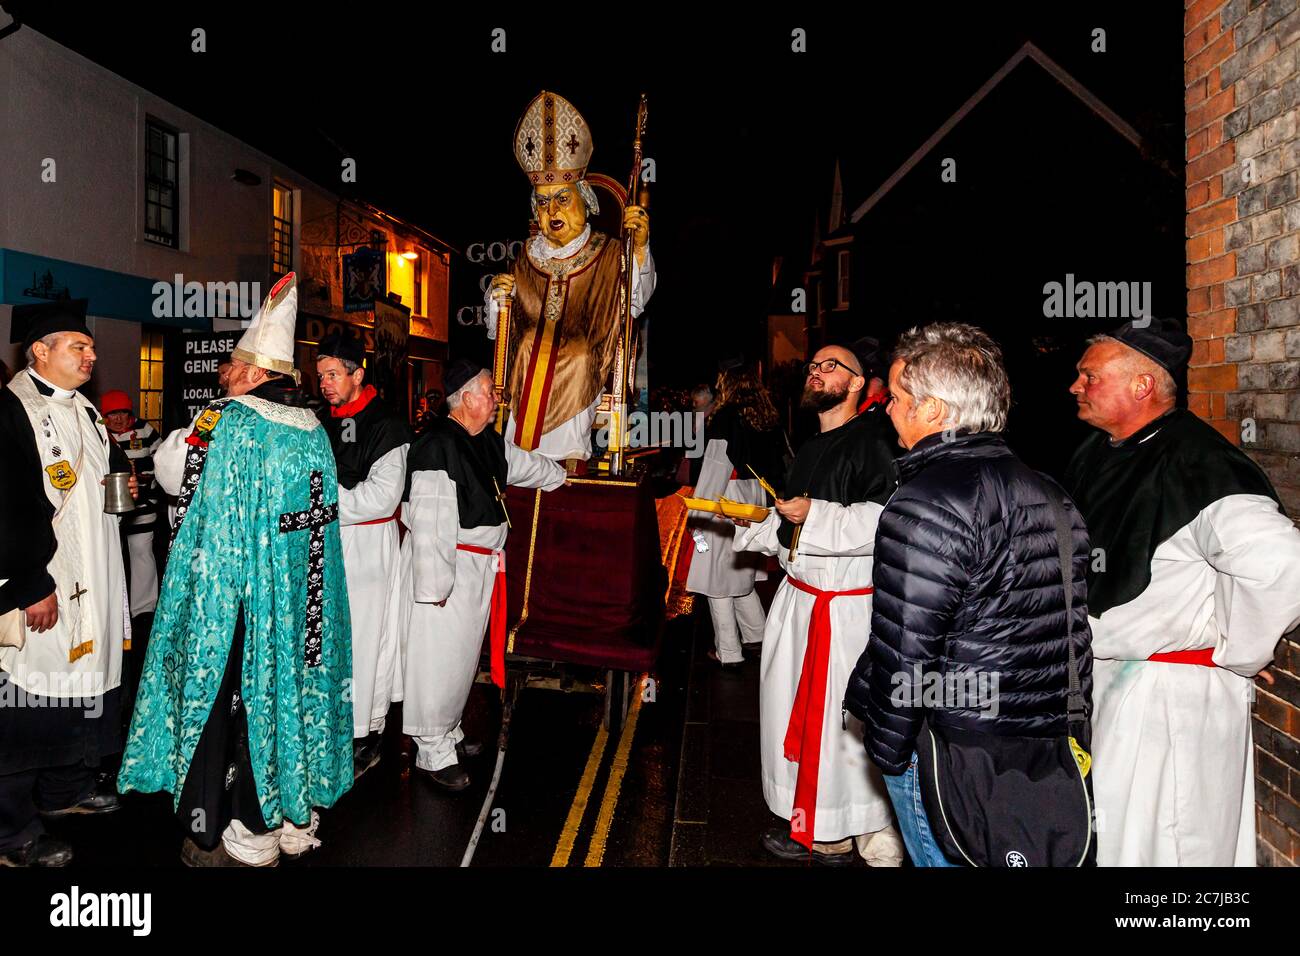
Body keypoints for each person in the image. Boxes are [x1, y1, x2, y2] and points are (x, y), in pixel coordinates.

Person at [119, 274, 353, 867]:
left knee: (238, 705)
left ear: (251, 372)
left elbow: (172, 472)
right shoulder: (313, 426)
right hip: (306, 600)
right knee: (295, 692)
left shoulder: (223, 418)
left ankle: (248, 832)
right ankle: (296, 817)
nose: (223, 374)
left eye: (231, 367)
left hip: (242, 600)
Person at [844, 322, 1094, 867]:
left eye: (897, 397)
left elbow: (907, 650)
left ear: (933, 410)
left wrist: (890, 753)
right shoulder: (1049, 491)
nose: (887, 408)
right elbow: (1073, 632)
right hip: (1039, 746)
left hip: (952, 743)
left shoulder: (926, 501)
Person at [1065, 318, 1300, 866]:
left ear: (1142, 384)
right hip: (1113, 686)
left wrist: (1238, 652)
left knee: (1173, 849)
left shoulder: (1200, 462)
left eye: (1090, 376)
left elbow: (1283, 563)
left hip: (1170, 701)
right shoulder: (1097, 452)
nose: (1076, 386)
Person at [731, 343, 903, 866]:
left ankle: (850, 829)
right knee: (792, 716)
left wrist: (816, 513)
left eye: (831, 366)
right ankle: (813, 823)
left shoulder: (876, 440)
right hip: (798, 605)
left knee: (838, 730)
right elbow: (794, 530)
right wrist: (757, 523)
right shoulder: (808, 446)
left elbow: (887, 519)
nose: (816, 372)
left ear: (857, 382)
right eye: (813, 366)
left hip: (843, 612)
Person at [0, 299, 133, 867]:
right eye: (79, 346)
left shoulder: (86, 409)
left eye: (91, 347)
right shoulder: (11, 412)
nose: (91, 356)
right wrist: (30, 583)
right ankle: (11, 832)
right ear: (40, 350)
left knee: (78, 691)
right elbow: (8, 503)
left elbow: (98, 471)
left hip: (91, 578)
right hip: (44, 581)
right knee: (27, 701)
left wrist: (122, 474)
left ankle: (64, 790)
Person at [398, 359, 566, 790]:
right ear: (467, 398)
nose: (496, 400)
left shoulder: (485, 440)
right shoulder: (436, 446)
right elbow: (430, 523)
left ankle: (449, 729)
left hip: (478, 567)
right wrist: (435, 586)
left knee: (462, 657)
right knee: (438, 659)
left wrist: (562, 476)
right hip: (448, 566)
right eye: (490, 392)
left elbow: (526, 465)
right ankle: (432, 750)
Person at [486, 90, 656, 462]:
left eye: (562, 199)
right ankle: (517, 452)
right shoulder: (527, 255)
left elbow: (636, 300)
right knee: (527, 345)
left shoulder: (610, 252)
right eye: (543, 202)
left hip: (587, 352)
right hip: (530, 359)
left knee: (577, 354)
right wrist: (499, 297)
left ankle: (567, 451)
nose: (552, 211)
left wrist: (640, 248)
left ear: (585, 200)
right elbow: (504, 326)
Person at [315, 329, 412, 779]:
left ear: (358, 374)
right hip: (328, 541)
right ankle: (331, 724)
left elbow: (382, 498)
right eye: (321, 375)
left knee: (363, 640)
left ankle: (364, 734)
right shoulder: (320, 420)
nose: (325, 383)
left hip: (368, 546)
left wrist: (322, 497)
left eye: (333, 374)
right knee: (329, 637)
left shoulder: (387, 425)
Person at [686, 365, 785, 669]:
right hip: (756, 498)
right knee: (741, 573)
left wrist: (698, 513)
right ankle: (758, 636)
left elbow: (716, 465)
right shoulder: (768, 418)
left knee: (716, 577)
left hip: (726, 498)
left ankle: (728, 651)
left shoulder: (726, 419)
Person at [99, 390, 162, 620]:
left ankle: (143, 609)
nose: (118, 418)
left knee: (141, 552)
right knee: (110, 555)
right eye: (112, 413)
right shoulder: (99, 431)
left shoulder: (145, 429)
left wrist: (145, 475)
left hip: (143, 505)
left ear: (130, 413)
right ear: (104, 416)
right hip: (109, 507)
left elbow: (162, 461)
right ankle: (112, 609)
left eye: (123, 413)